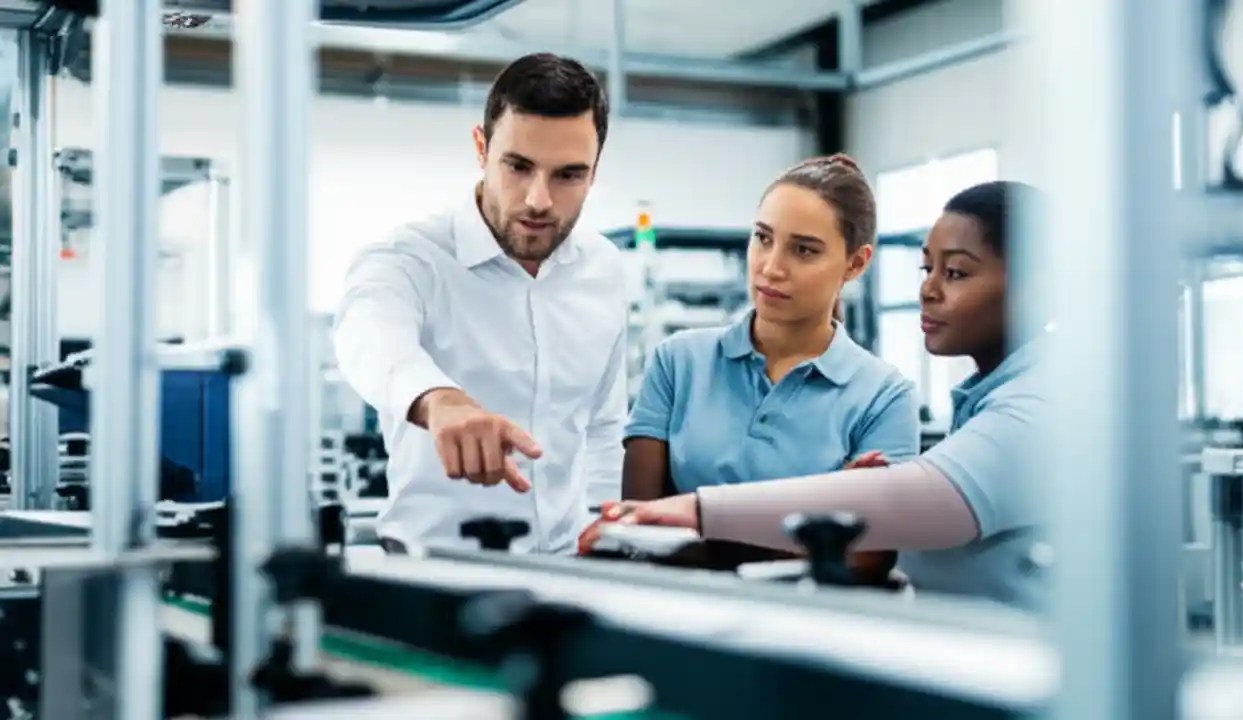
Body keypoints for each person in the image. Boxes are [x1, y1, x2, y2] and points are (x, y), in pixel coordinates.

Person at [581, 181, 1048, 610]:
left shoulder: (1043, 402)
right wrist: (843, 507)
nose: (927, 289)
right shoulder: (986, 397)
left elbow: (917, 508)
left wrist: (695, 511)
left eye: (957, 273)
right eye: (928, 268)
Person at [333, 53, 628, 554]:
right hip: (432, 578)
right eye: (518, 166)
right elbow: (367, 339)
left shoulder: (604, 268)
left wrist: (604, 524)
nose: (539, 199)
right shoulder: (410, 259)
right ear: (481, 147)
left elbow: (601, 424)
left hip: (571, 574)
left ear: (595, 172)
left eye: (568, 175)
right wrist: (438, 399)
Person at [582, 155, 921, 576]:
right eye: (763, 238)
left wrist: (697, 532)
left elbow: (867, 559)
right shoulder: (679, 362)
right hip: (676, 615)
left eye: (803, 250)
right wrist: (823, 513)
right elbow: (639, 530)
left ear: (855, 263)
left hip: (803, 626)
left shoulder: (884, 397)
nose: (771, 267)